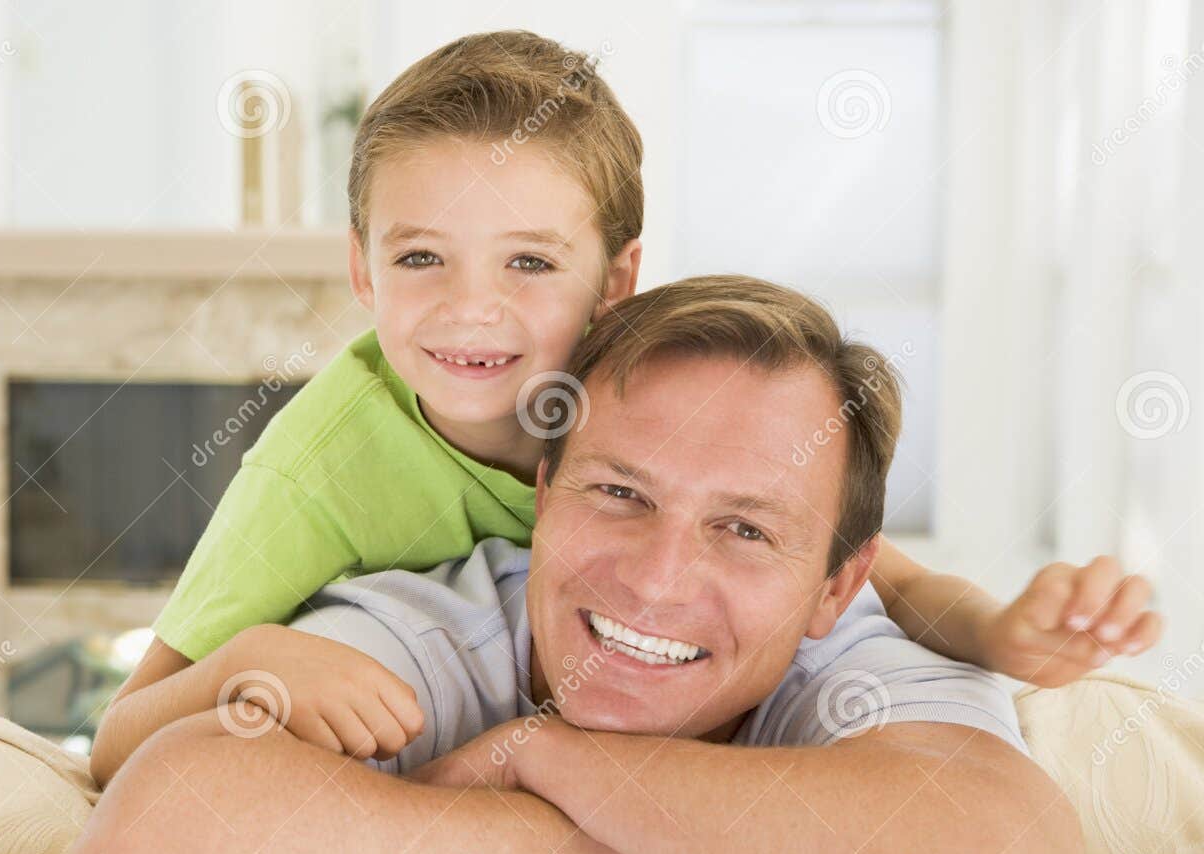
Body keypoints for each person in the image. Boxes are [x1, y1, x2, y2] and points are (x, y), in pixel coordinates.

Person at [89, 30, 1158, 786]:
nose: (472, 307)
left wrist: (1002, 633)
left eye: (529, 261)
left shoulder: (647, 387)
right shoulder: (314, 470)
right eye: (420, 255)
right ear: (362, 274)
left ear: (615, 280)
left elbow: (881, 574)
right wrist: (250, 663)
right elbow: (115, 737)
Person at [63, 276, 1139, 854]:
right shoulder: (430, 623)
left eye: (745, 528)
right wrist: (630, 824)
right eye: (619, 493)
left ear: (837, 585)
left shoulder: (868, 661)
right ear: (542, 500)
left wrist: (543, 758)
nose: (658, 578)